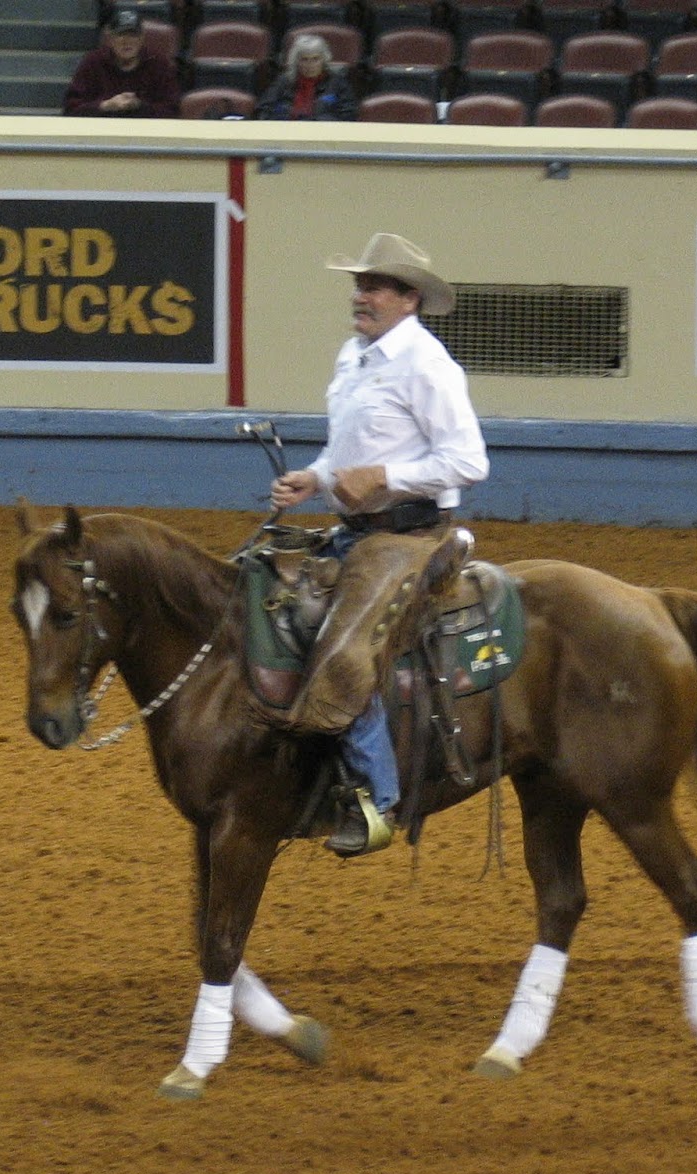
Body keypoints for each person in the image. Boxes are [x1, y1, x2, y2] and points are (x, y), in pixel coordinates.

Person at [269, 233, 488, 857]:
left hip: (411, 535)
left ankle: (374, 796)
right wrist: (315, 477)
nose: (360, 295)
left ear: (409, 298)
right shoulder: (355, 356)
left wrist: (386, 480)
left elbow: (468, 461)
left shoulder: (427, 365)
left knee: (347, 647)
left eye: (375, 286)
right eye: (360, 284)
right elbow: (349, 450)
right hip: (359, 534)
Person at [62, 6, 179, 119]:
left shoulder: (158, 63)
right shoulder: (93, 62)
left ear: (142, 38)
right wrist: (105, 106)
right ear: (111, 39)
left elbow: (172, 111)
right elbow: (71, 109)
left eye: (133, 35)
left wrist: (140, 106)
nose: (127, 41)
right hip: (102, 131)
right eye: (121, 35)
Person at [254, 33, 358, 121]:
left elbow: (349, 115)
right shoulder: (284, 81)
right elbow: (263, 110)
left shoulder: (338, 83)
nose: (310, 64)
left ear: (324, 59)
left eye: (315, 59)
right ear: (296, 61)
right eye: (304, 59)